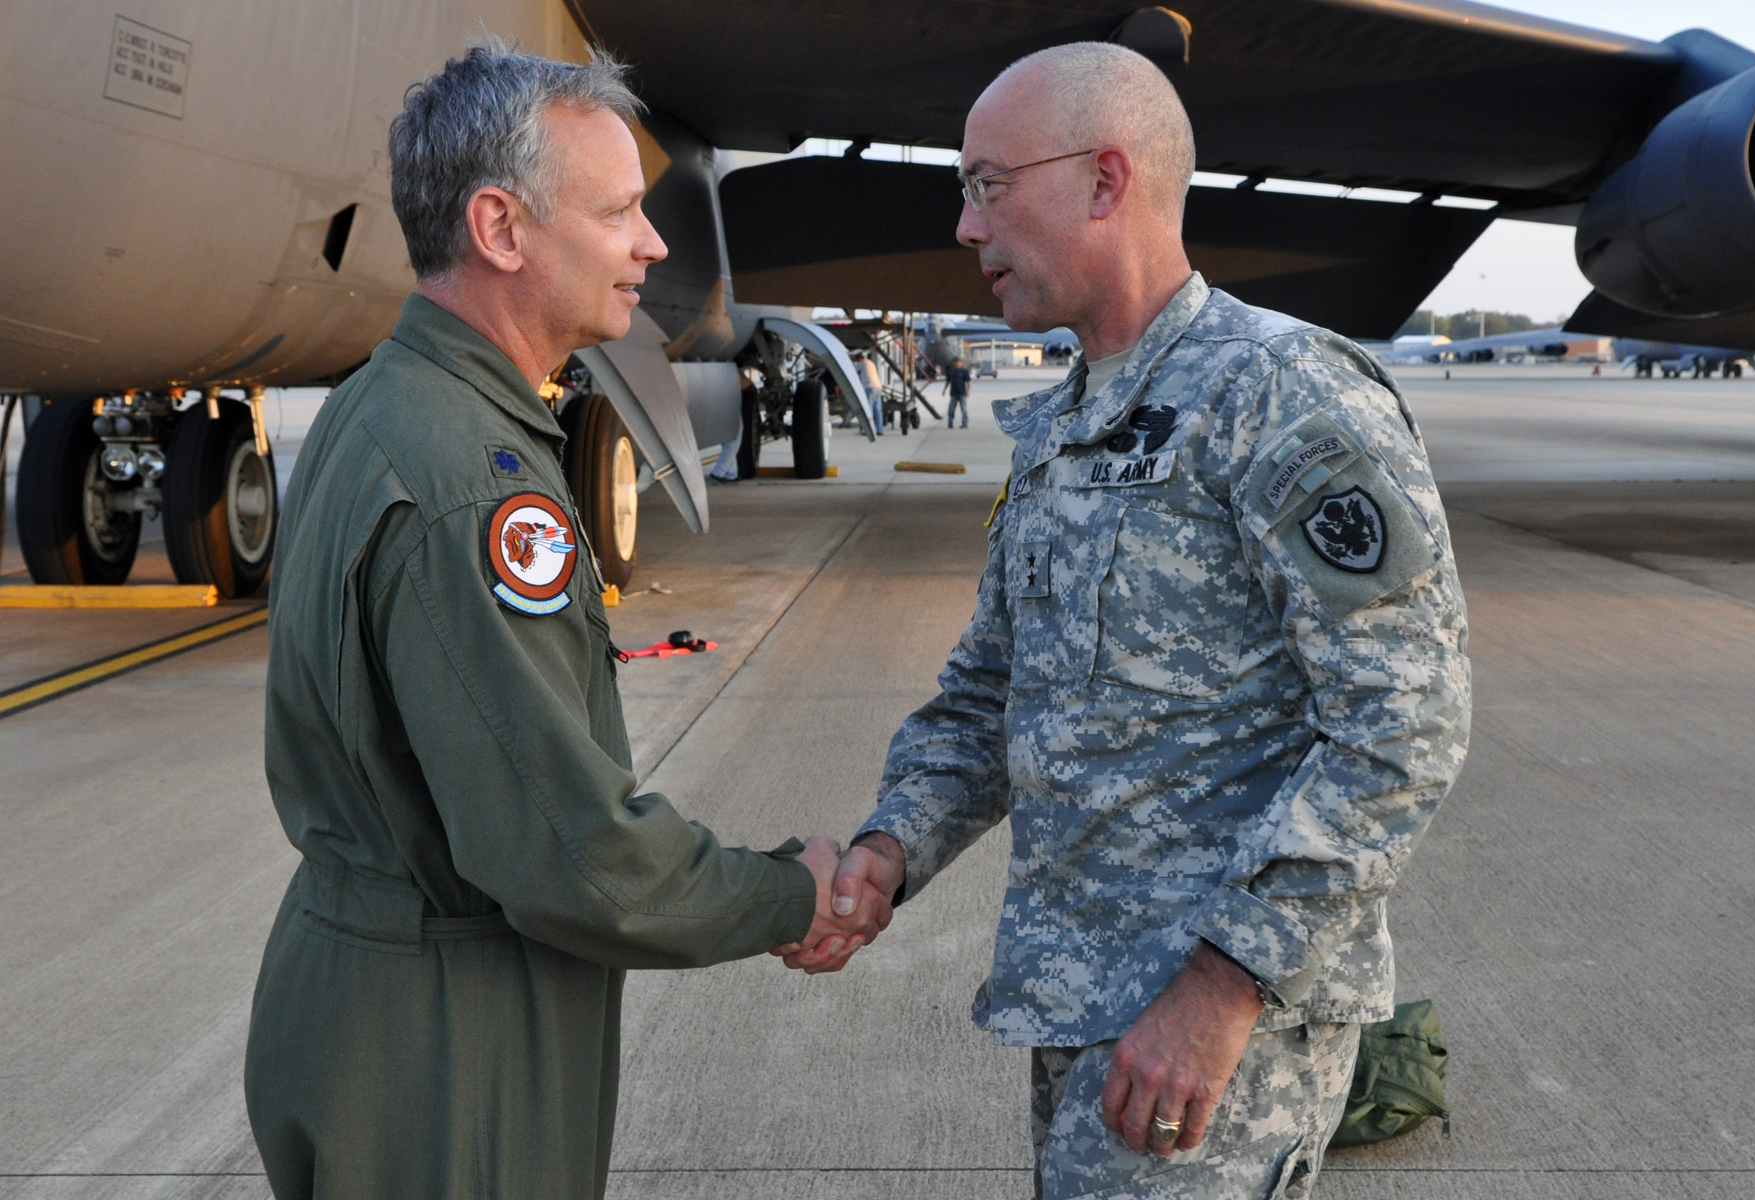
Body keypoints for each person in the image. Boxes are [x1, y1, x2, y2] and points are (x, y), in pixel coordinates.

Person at [784, 41, 1471, 1200]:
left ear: (1107, 180)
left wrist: (1223, 984)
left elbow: (1404, 724)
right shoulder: (1065, 423)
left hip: (1216, 1031)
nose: (965, 226)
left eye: (988, 184)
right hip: (1082, 1000)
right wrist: (889, 851)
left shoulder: (1280, 394)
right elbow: (991, 694)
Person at [245, 43, 889, 1200]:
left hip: (375, 1003)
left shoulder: (380, 406)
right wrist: (793, 892)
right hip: (447, 1050)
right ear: (501, 229)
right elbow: (568, 851)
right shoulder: (472, 481)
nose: (653, 244)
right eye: (622, 212)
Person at [943, 355, 973, 427]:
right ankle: (950, 423)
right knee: (951, 409)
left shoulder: (964, 371)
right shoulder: (951, 371)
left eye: (959, 362)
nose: (958, 363)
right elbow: (948, 381)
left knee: (963, 409)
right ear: (955, 363)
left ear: (962, 363)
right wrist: (944, 390)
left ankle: (964, 423)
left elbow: (968, 382)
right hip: (953, 393)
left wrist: (968, 390)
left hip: (962, 393)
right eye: (957, 362)